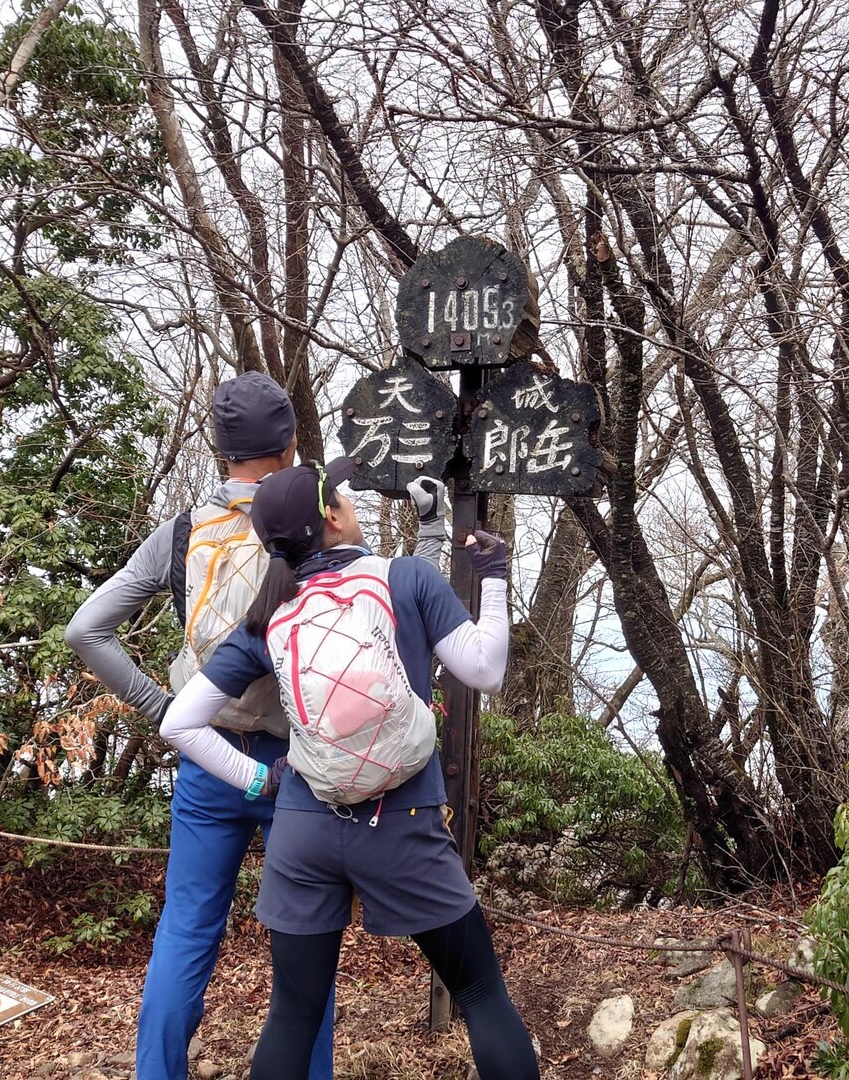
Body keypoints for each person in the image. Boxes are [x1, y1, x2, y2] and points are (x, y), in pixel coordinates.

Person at [65, 371, 450, 1080]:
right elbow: (400, 612)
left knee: (185, 930)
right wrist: (434, 536)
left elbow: (87, 630)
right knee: (307, 949)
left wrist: (161, 709)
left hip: (208, 759)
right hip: (302, 769)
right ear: (291, 443)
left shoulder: (183, 533)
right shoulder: (306, 530)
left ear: (220, 450)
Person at [158, 458, 539, 1080]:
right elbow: (485, 670)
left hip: (305, 826)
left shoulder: (268, 617)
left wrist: (258, 778)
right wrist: (492, 576)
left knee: (292, 1014)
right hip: (402, 819)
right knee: (479, 994)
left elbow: (180, 722)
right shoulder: (405, 580)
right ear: (333, 516)